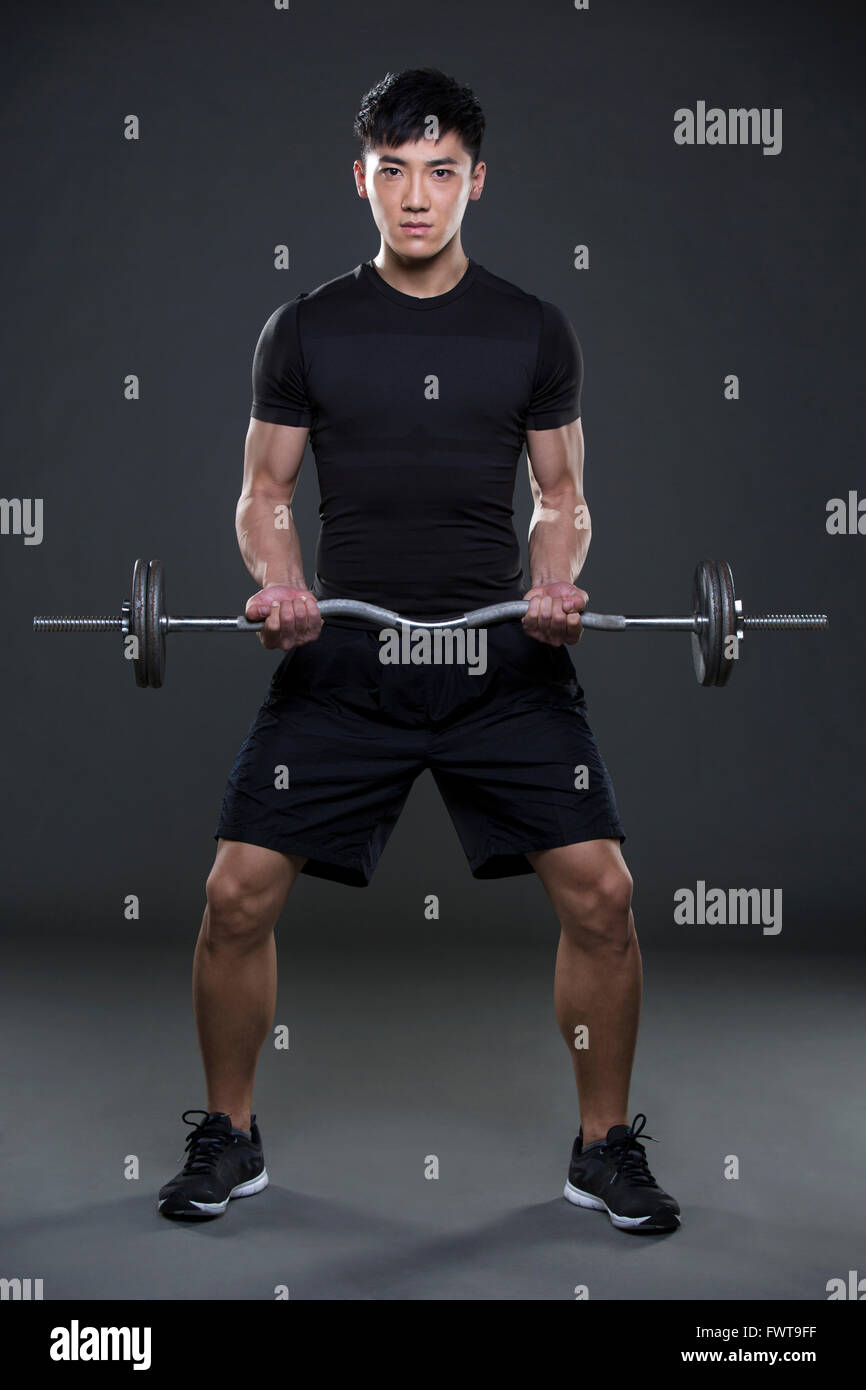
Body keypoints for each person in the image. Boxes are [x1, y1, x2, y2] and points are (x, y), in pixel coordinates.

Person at [158, 67, 680, 1236]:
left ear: (473, 183)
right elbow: (262, 492)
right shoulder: (303, 327)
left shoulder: (531, 327)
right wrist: (281, 588)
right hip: (346, 665)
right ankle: (228, 1135)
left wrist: (552, 583)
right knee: (233, 897)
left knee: (602, 895)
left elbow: (561, 493)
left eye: (439, 171)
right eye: (391, 170)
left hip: (501, 665)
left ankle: (601, 1149)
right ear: (361, 177)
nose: (414, 196)